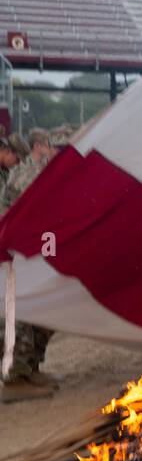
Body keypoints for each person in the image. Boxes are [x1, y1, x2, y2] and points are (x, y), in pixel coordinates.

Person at [0, 130, 65, 403]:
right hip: (14, 253)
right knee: (21, 314)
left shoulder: (48, 172)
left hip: (31, 252)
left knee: (45, 311)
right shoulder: (28, 174)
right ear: (44, 147)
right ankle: (14, 378)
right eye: (58, 148)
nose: (62, 153)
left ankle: (30, 369)